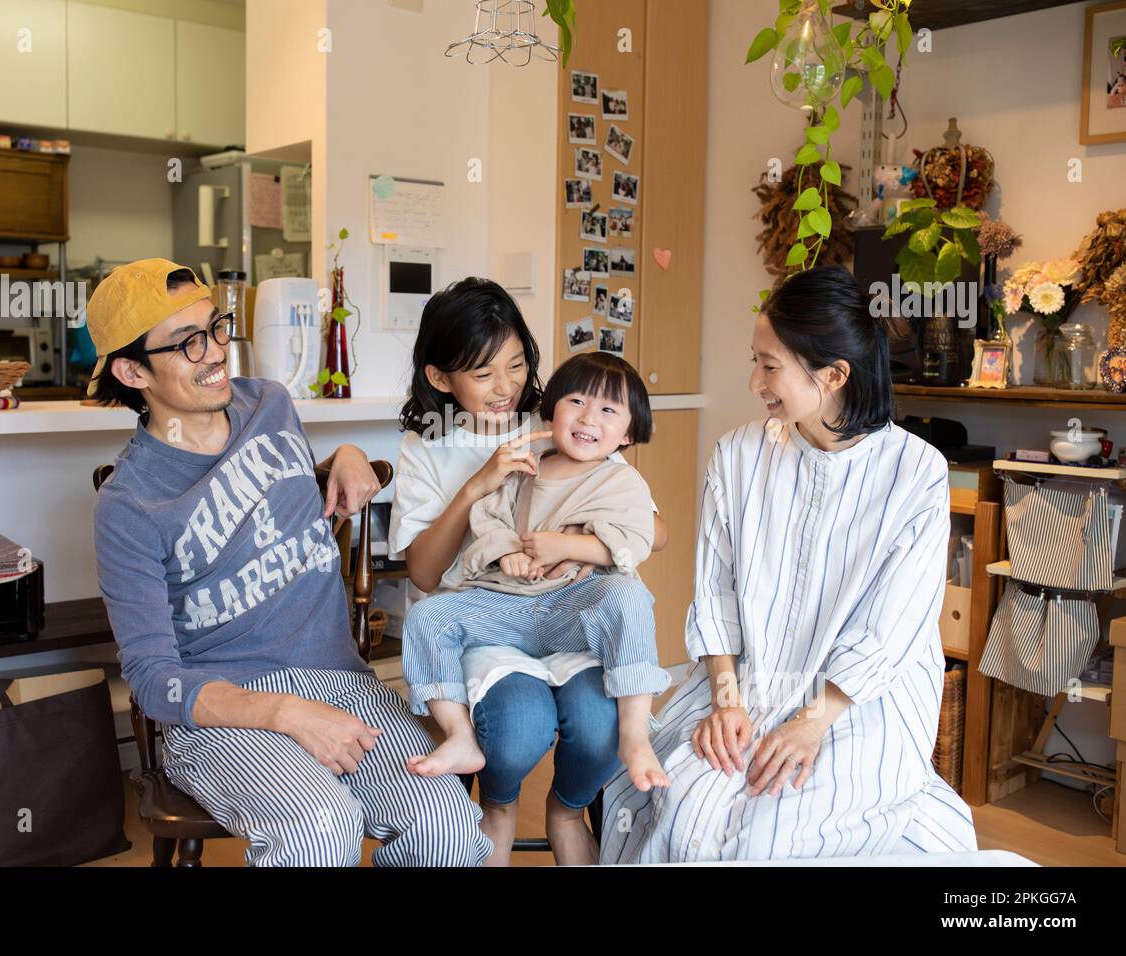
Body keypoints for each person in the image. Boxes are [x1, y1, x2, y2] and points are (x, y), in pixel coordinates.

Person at [89, 259, 491, 867]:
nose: (216, 352)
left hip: (342, 682)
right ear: (130, 370)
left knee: (447, 828)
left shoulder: (270, 405)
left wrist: (345, 456)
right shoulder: (129, 504)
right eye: (188, 342)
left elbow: (273, 496)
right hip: (228, 709)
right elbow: (152, 679)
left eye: (217, 328)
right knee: (320, 823)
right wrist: (284, 713)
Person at [602, 266, 977, 863]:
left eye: (769, 365)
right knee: (689, 805)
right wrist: (727, 700)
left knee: (779, 828)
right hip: (745, 680)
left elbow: (892, 626)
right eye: (756, 360)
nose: (754, 381)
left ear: (833, 376)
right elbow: (716, 595)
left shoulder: (915, 472)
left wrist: (811, 723)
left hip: (859, 697)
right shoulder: (738, 455)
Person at [387, 277, 668, 866]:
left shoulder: (561, 419)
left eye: (517, 366)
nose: (506, 388)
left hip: (566, 610)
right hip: (486, 614)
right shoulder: (427, 446)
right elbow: (423, 572)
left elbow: (650, 529)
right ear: (441, 378)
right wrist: (478, 488)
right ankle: (498, 806)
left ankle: (567, 809)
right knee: (517, 731)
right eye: (484, 375)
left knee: (597, 729)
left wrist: (576, 544)